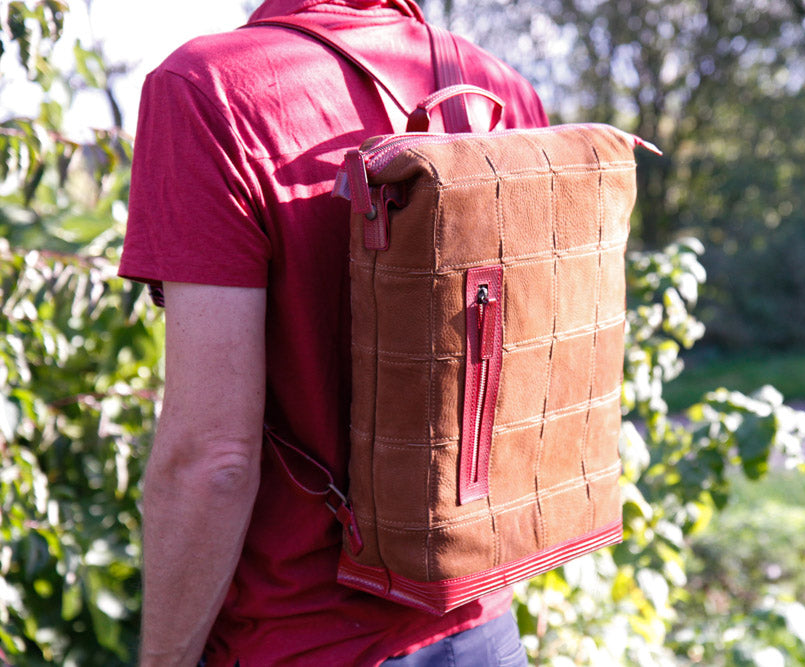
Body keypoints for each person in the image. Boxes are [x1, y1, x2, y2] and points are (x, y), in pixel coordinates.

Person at [118, 0, 548, 664]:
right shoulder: (501, 92)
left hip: (293, 636)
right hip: (482, 628)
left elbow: (213, 462)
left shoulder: (208, 90)